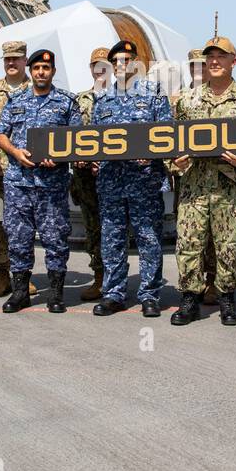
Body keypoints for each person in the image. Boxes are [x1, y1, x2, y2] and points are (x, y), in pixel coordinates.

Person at [169, 36, 236, 327]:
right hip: (194, 187)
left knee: (229, 246)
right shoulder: (187, 100)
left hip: (232, 187)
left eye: (221, 56)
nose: (214, 61)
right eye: (210, 56)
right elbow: (167, 141)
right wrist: (175, 163)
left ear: (233, 62)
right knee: (188, 244)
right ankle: (189, 299)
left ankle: (227, 299)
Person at [0, 49, 84, 313]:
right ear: (30, 71)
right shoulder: (16, 100)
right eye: (36, 68)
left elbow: (78, 141)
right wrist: (15, 152)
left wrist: (60, 158)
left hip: (51, 185)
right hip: (18, 183)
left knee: (55, 238)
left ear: (53, 71)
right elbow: (1, 135)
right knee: (19, 238)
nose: (41, 72)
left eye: (46, 67)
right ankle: (20, 292)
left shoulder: (66, 103)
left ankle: (55, 294)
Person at [90, 39, 173, 317]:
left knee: (148, 238)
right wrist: (92, 160)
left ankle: (149, 294)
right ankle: (114, 293)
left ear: (136, 62)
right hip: (111, 181)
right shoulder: (102, 98)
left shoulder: (154, 94)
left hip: (144, 182)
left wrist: (152, 156)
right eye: (116, 61)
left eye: (126, 59)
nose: (121, 64)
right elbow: (93, 139)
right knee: (112, 238)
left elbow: (167, 135)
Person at [0, 40, 31, 299]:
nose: (11, 63)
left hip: (26, 172)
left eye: (16, 58)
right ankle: (2, 274)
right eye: (7, 59)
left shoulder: (37, 90)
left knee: (24, 224)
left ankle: (24, 275)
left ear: (25, 60)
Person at [174, 47, 219, 304]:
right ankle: (193, 283)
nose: (198, 70)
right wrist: (174, 165)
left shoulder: (220, 95)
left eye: (203, 65)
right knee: (190, 234)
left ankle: (212, 282)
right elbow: (168, 140)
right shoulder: (180, 99)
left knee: (214, 234)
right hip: (188, 178)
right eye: (194, 66)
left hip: (216, 178)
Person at [72, 47, 110, 303]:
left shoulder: (122, 98)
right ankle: (99, 277)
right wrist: (82, 158)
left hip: (114, 177)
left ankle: (114, 279)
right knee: (93, 229)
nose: (100, 69)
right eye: (96, 65)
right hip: (86, 178)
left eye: (104, 65)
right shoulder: (79, 100)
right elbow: (70, 135)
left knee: (114, 229)